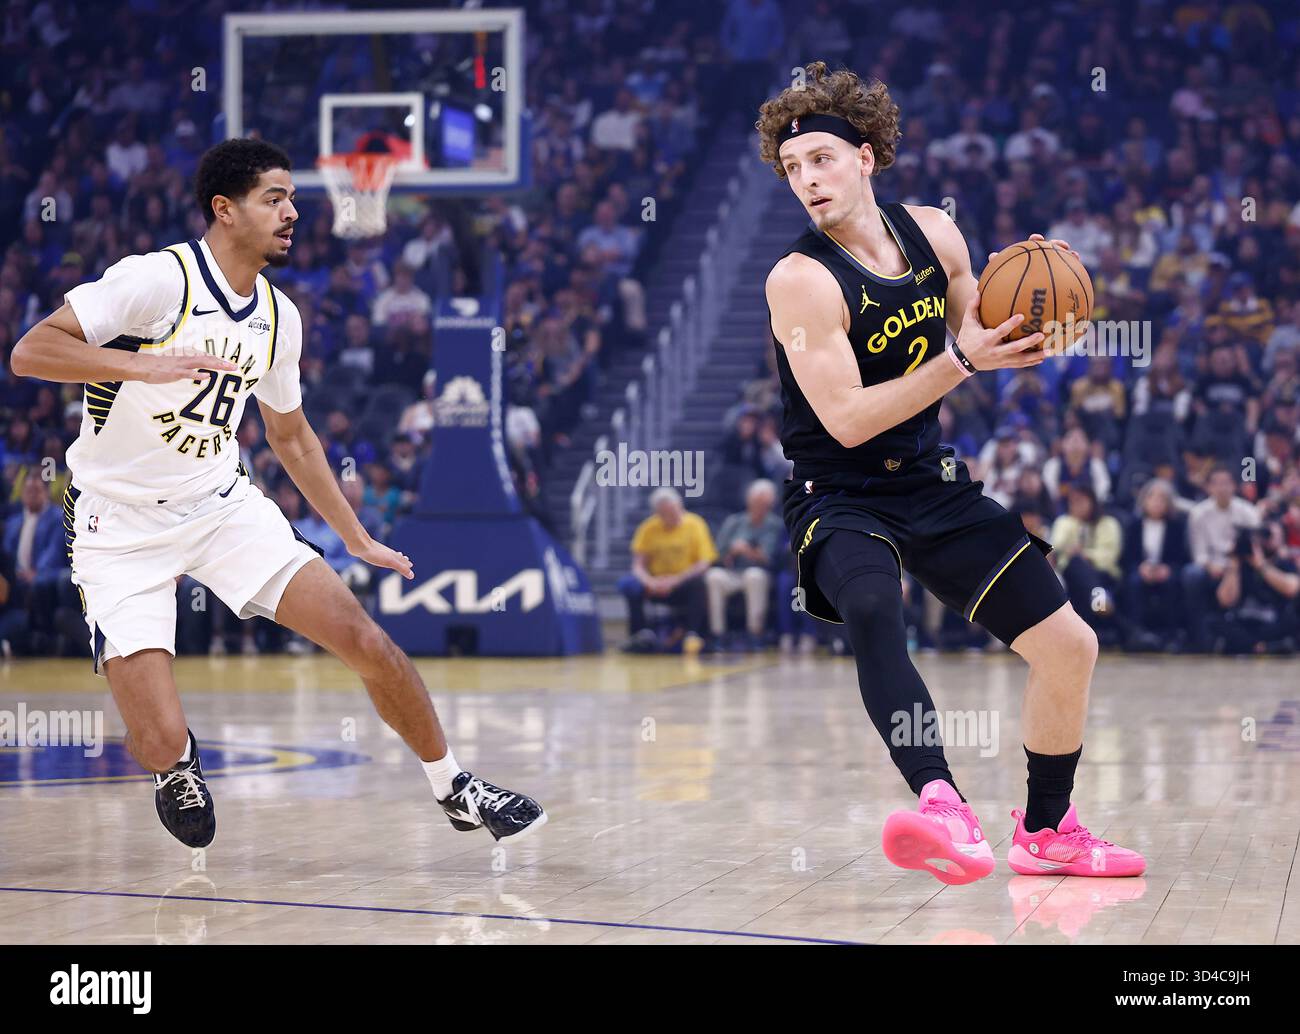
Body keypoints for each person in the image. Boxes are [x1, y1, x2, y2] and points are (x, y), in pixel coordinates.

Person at [10, 138, 545, 850]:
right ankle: (175, 764)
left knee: (365, 638)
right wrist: (143, 367)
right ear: (224, 210)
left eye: (292, 198)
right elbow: (29, 351)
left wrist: (353, 536)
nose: (293, 212)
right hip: (118, 523)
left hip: (221, 505)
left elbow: (291, 438)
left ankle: (455, 786)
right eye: (275, 198)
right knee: (159, 738)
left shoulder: (278, 317)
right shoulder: (156, 282)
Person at [760, 61, 1144, 884]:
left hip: (927, 480)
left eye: (822, 159)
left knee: (1070, 645)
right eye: (793, 169)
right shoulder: (798, 280)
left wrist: (1040, 324)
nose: (807, 180)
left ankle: (1047, 833)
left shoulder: (936, 233)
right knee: (869, 603)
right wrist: (965, 361)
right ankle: (942, 803)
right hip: (839, 492)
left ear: (866, 157)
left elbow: (984, 330)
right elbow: (849, 418)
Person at [618, 487, 716, 653]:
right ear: (657, 513)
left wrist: (676, 580)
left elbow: (704, 562)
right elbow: (638, 565)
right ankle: (640, 634)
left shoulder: (695, 524)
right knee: (629, 584)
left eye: (672, 511)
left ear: (680, 506)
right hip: (656, 583)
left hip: (683, 582)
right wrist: (650, 581)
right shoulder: (648, 527)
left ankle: (692, 634)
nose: (669, 517)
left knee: (699, 583)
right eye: (664, 514)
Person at [1182, 465, 1261, 651]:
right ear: (1208, 487)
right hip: (1211, 567)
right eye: (1216, 483)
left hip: (1242, 565)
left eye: (1226, 483)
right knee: (1192, 574)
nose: (1221, 488)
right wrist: (1211, 567)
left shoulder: (1248, 512)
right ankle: (1199, 636)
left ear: (1235, 486)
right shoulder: (1198, 513)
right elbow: (1199, 554)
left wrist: (1235, 564)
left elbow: (1256, 548)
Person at [704, 479, 784, 649]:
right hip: (733, 572)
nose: (760, 508)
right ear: (749, 502)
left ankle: (755, 634)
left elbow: (768, 557)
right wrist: (732, 552)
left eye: (765, 505)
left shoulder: (774, 524)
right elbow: (718, 554)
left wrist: (745, 550)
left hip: (761, 573)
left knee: (753, 576)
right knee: (713, 576)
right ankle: (718, 634)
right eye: (757, 503)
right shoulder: (734, 521)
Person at [1119, 478, 1191, 651]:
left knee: (1172, 583)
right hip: (1141, 568)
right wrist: (1140, 567)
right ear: (1144, 500)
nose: (1157, 503)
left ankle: (1171, 635)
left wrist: (1168, 569)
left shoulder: (1177, 527)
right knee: (1134, 582)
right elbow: (1126, 557)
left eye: (1162, 499)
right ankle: (1137, 632)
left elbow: (1182, 557)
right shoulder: (1134, 525)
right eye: (1153, 498)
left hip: (1166, 569)